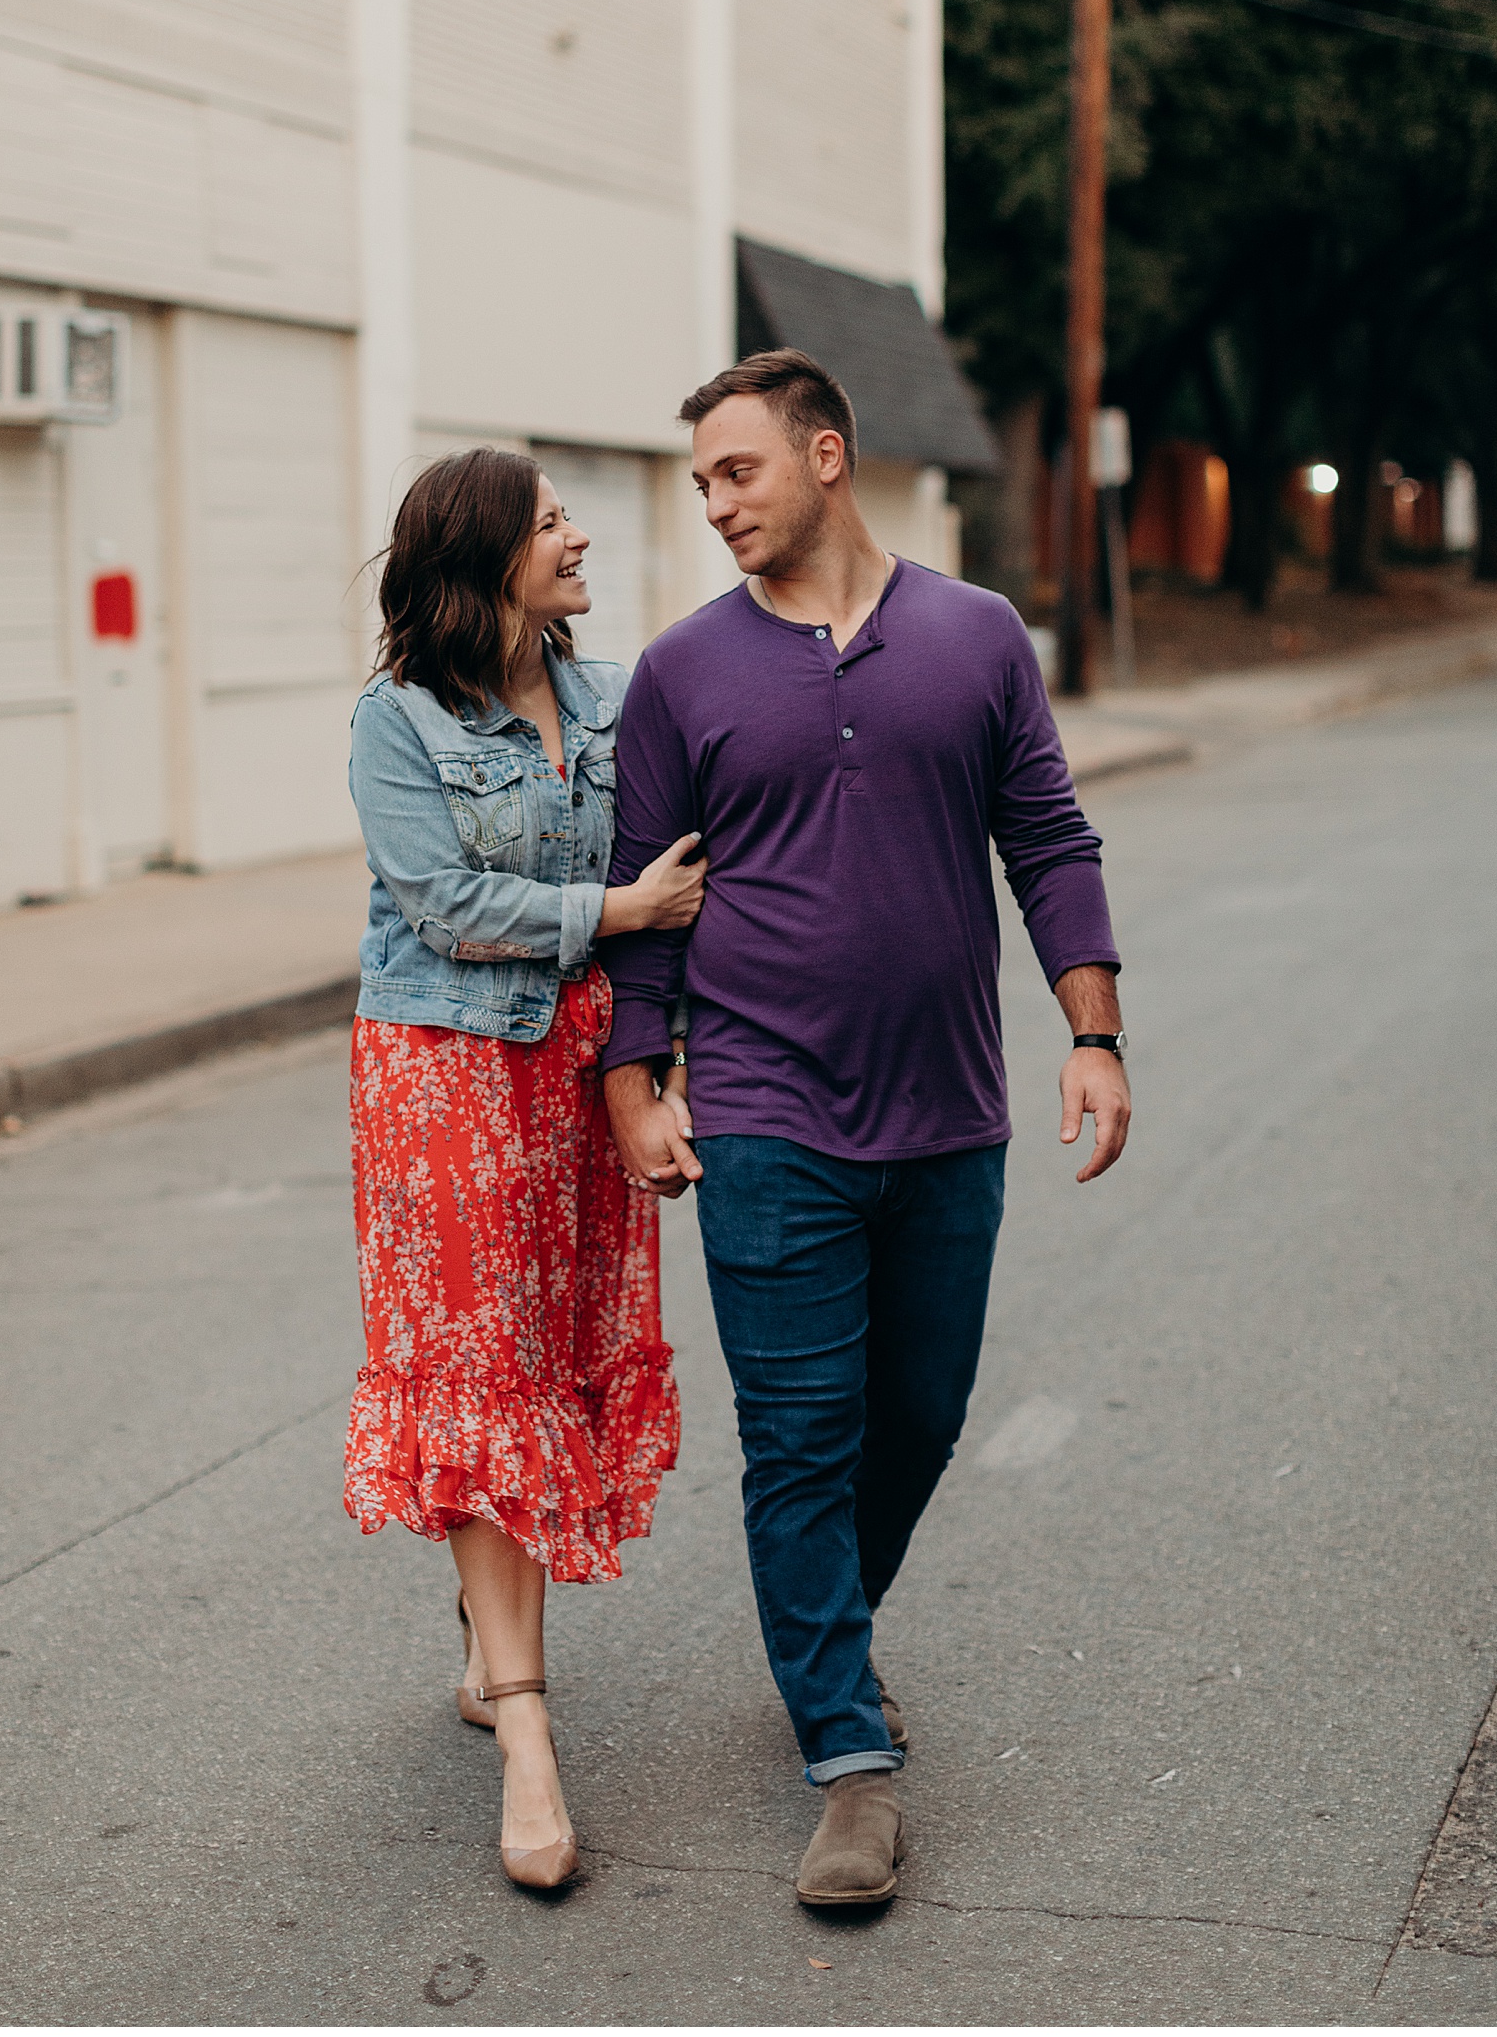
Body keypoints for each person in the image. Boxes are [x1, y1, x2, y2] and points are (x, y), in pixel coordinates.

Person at [598, 349, 1131, 1909]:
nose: (715, 505)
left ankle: (820, 1624)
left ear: (827, 455)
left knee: (917, 1412)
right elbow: (646, 907)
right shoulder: (681, 673)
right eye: (701, 482)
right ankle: (847, 1759)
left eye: (737, 472)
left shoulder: (973, 638)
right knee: (796, 1441)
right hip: (764, 1115)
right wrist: (640, 1081)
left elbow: (1049, 839)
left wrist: (1092, 1034)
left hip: (948, 1108)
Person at [345, 447, 702, 1894]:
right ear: (486, 556)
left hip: (578, 1076)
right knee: (480, 1372)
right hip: (446, 1076)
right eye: (552, 520)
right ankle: (532, 1742)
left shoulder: (618, 698)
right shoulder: (397, 720)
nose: (579, 534)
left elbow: (701, 852)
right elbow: (443, 902)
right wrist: (617, 904)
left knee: (533, 1362)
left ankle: (489, 1642)